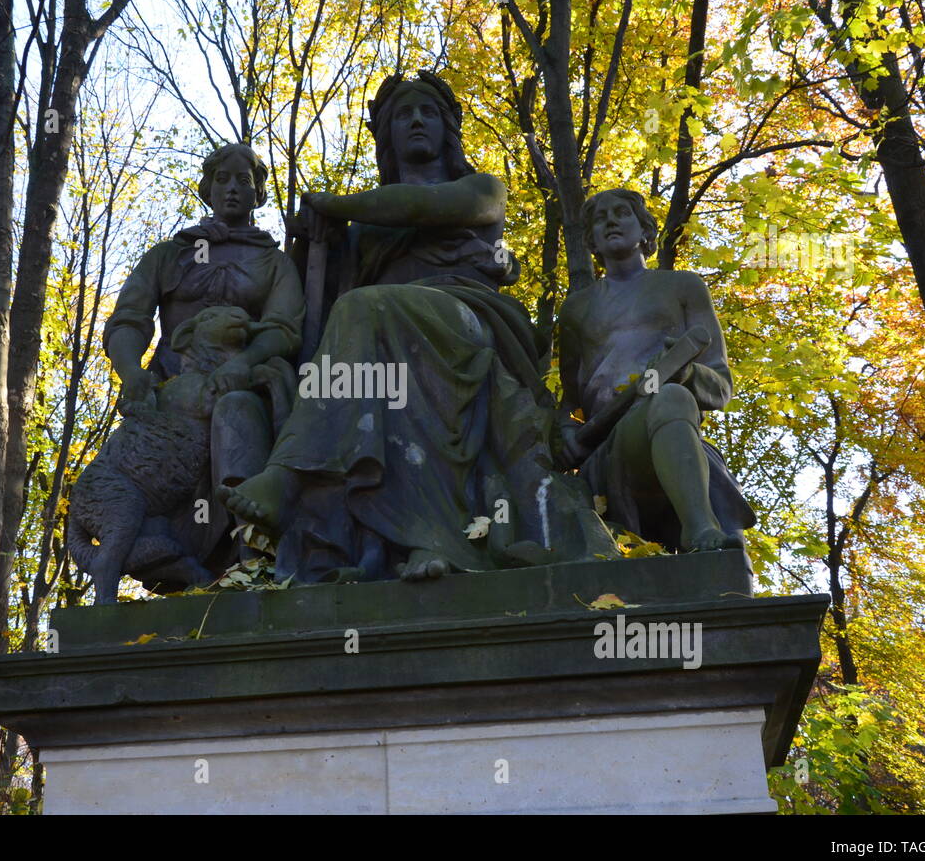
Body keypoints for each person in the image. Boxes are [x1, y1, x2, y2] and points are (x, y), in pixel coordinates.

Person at [221, 72, 616, 583]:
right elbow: (316, 306)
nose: (415, 121)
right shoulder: (361, 229)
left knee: (366, 309)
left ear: (448, 130)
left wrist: (334, 206)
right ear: (386, 135)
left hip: (467, 319)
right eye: (402, 115)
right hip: (383, 338)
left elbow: (417, 206)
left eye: (428, 112)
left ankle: (286, 476)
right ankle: (415, 542)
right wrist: (310, 240)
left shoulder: (481, 189)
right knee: (378, 360)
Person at [104, 143, 304, 573]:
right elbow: (128, 321)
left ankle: (255, 552)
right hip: (172, 390)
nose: (232, 188)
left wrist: (244, 363)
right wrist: (130, 372)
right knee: (123, 478)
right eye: (222, 179)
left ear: (260, 195)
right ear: (206, 189)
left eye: (244, 181)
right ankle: (171, 558)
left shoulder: (275, 264)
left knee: (234, 412)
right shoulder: (168, 255)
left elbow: (284, 329)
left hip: (247, 385)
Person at [557, 188, 756, 553]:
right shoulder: (576, 310)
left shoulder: (683, 287)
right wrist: (567, 432)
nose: (611, 221)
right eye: (601, 219)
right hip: (610, 448)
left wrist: (686, 375)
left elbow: (720, 387)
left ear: (646, 231)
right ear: (591, 242)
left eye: (622, 213)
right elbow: (569, 402)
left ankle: (701, 532)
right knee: (671, 398)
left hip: (673, 426)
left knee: (672, 396)